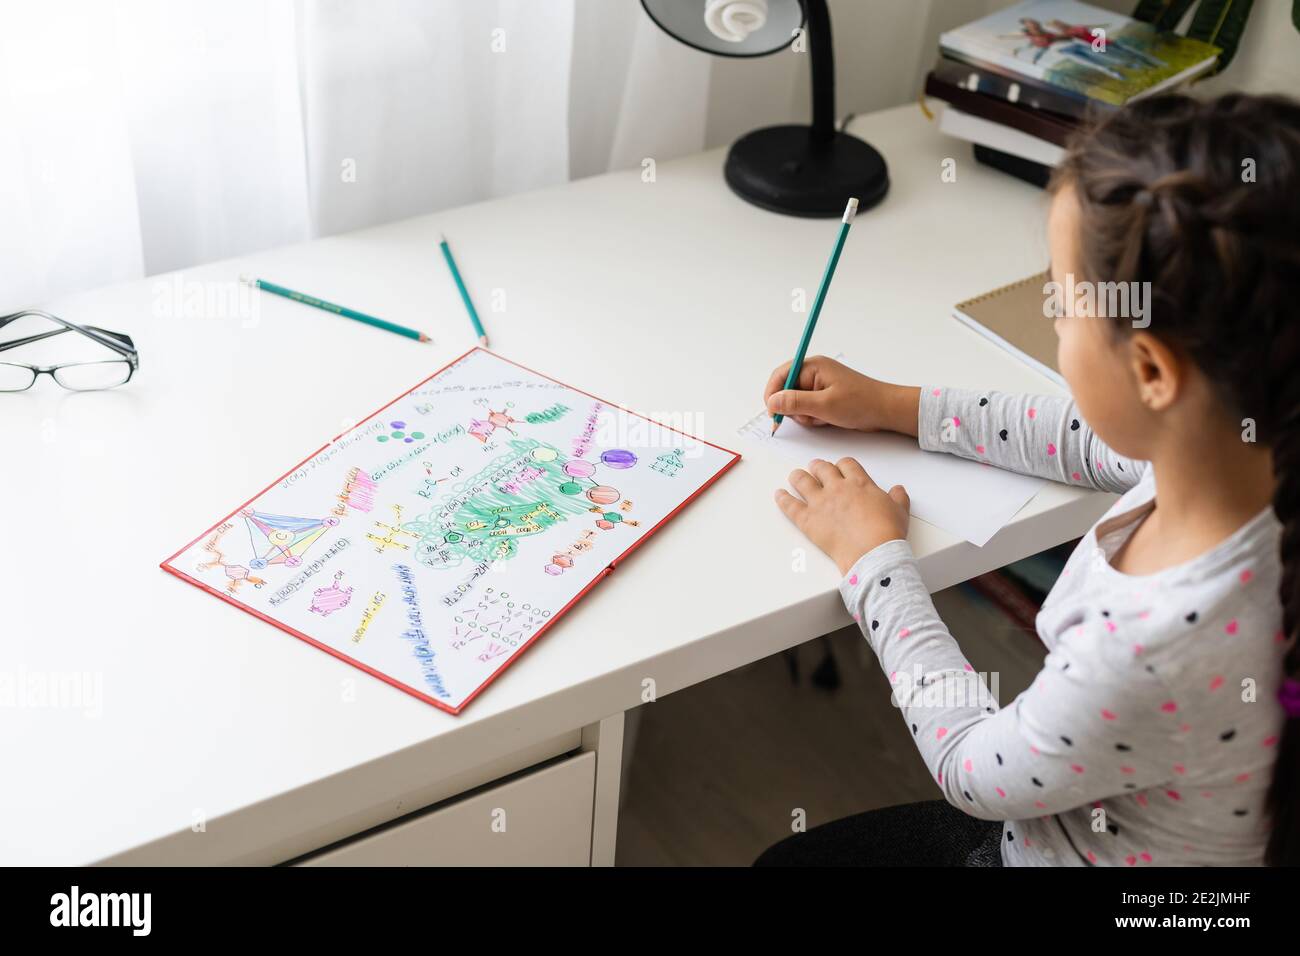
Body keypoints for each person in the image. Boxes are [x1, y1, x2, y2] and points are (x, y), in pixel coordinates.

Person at [756, 93, 1300, 866]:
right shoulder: (1244, 453)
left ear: (1150, 368)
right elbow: (1084, 441)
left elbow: (971, 767)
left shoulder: (1147, 645)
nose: (1052, 321)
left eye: (1064, 303)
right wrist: (893, 406)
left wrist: (874, 560)